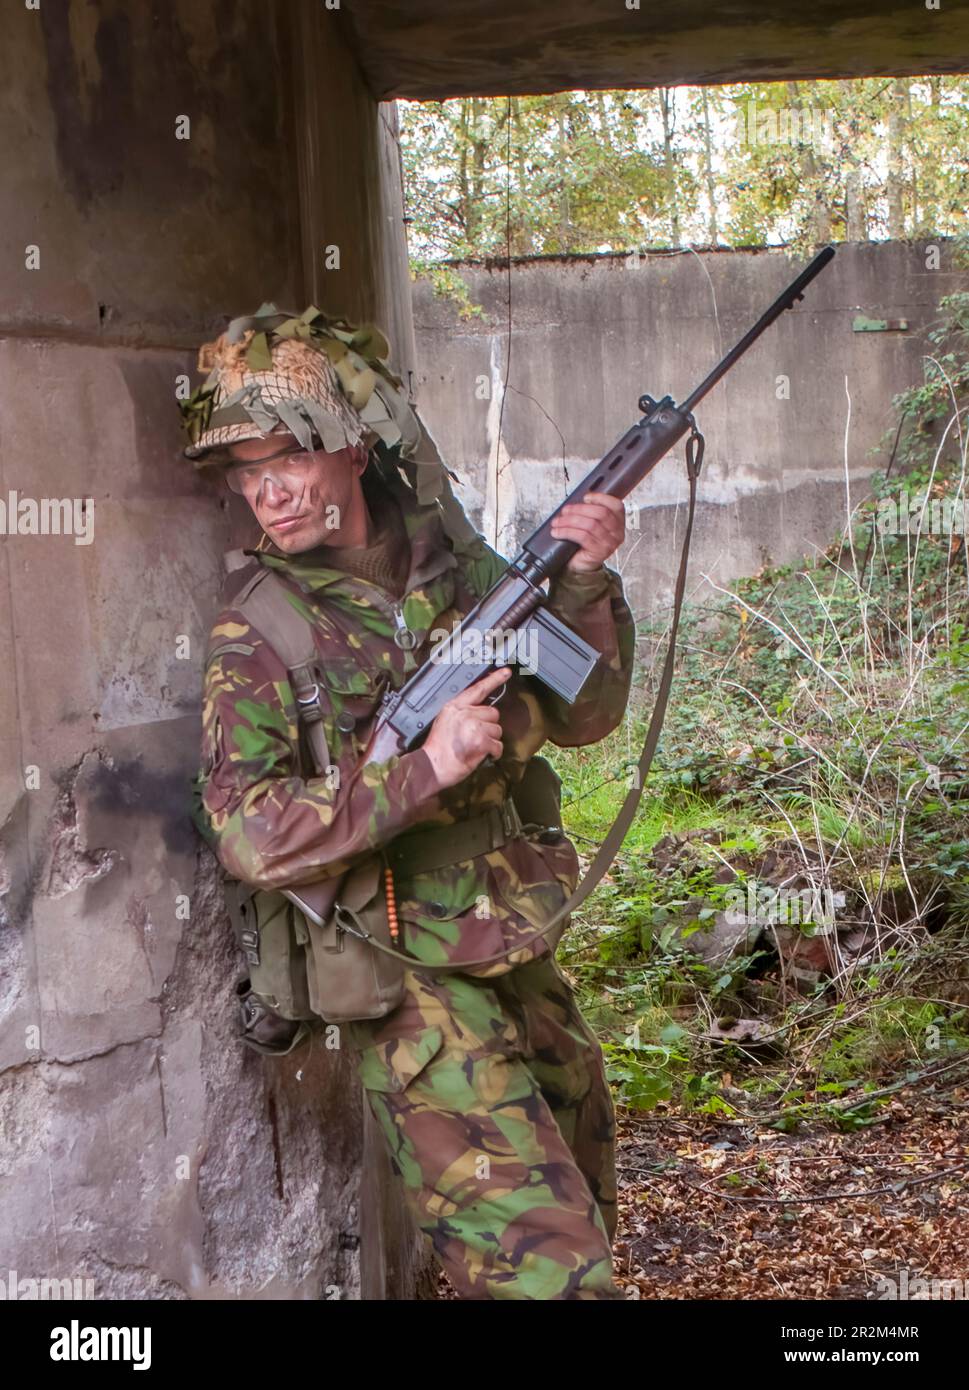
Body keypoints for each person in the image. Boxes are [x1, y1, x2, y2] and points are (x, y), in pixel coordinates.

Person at [185, 305, 636, 1299]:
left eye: (284, 458)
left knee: (583, 1211)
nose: (267, 492)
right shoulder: (257, 632)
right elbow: (248, 834)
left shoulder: (461, 567)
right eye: (244, 473)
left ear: (349, 445)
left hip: (517, 942)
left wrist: (588, 583)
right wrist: (424, 769)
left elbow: (589, 713)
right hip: (407, 979)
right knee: (555, 1280)